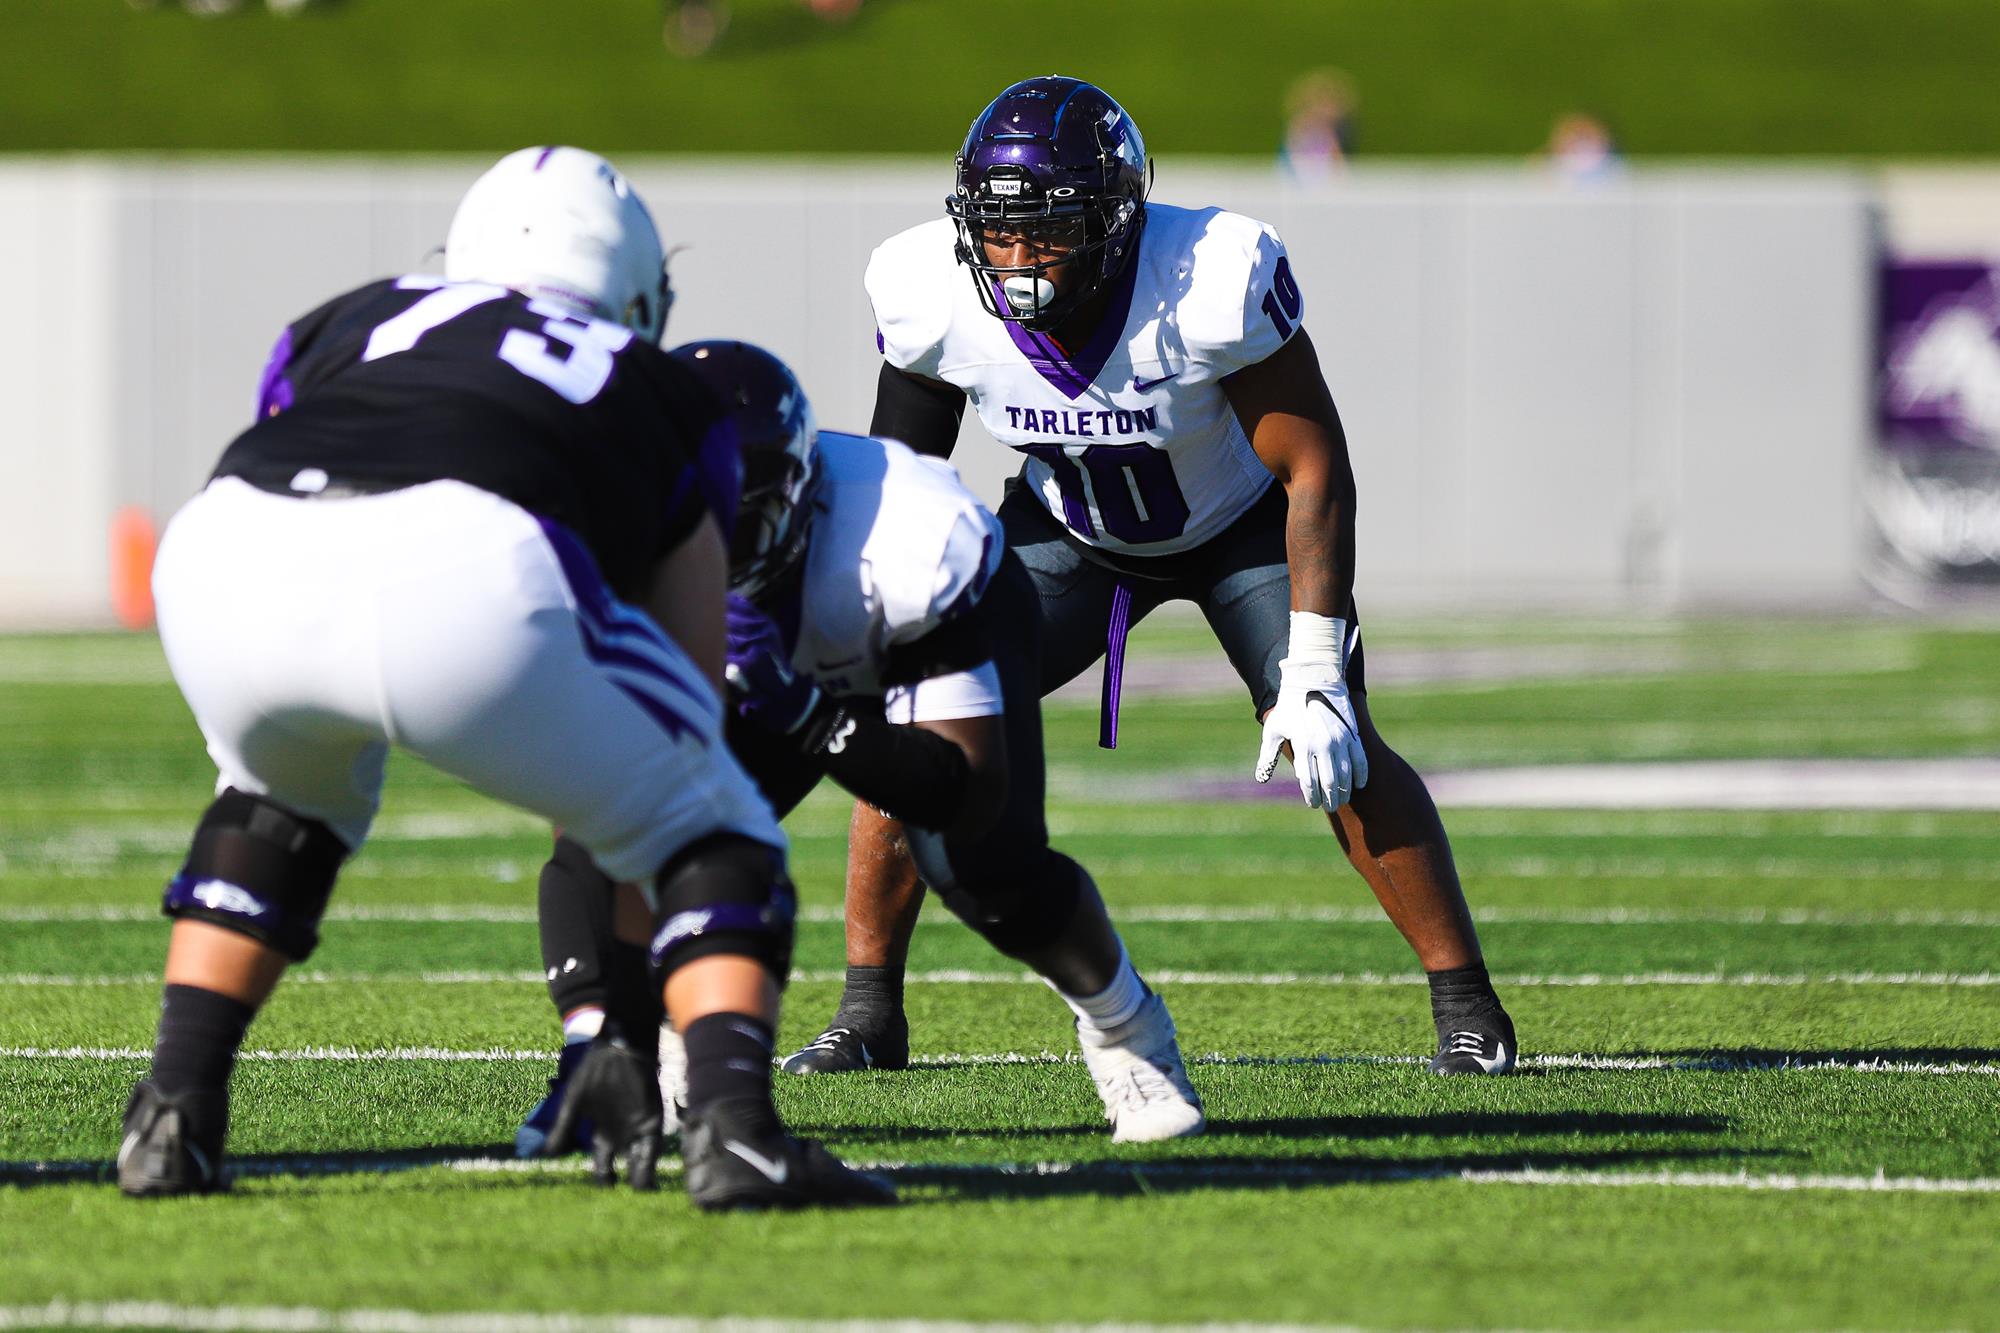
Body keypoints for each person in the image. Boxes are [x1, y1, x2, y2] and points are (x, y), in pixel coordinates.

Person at [117, 146, 891, 1211]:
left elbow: (285, 431)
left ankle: (174, 1112)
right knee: (718, 823)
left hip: (223, 548)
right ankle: (735, 1130)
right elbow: (686, 680)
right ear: (632, 285)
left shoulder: (354, 313)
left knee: (276, 800)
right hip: (461, 559)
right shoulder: (663, 388)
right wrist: (617, 1015)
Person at [790, 75, 1518, 1079]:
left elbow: (1311, 465)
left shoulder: (1206, 278)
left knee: (1337, 743)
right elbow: (898, 477)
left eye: (1045, 229)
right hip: (1066, 532)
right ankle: (868, 1009)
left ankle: (1467, 1003)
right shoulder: (929, 292)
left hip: (1236, 528)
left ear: (1116, 222)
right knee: (915, 718)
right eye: (996, 231)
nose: (1017, 258)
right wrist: (871, 620)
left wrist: (1311, 664)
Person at [519, 341, 1205, 1153]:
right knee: (615, 821)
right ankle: (642, 1052)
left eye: (738, 523)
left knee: (984, 865)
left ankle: (1126, 1029)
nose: (712, 554)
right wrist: (598, 1030)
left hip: (908, 636)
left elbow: (964, 791)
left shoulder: (913, 539)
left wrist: (809, 713)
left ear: (798, 498)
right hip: (775, 653)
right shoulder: (597, 544)